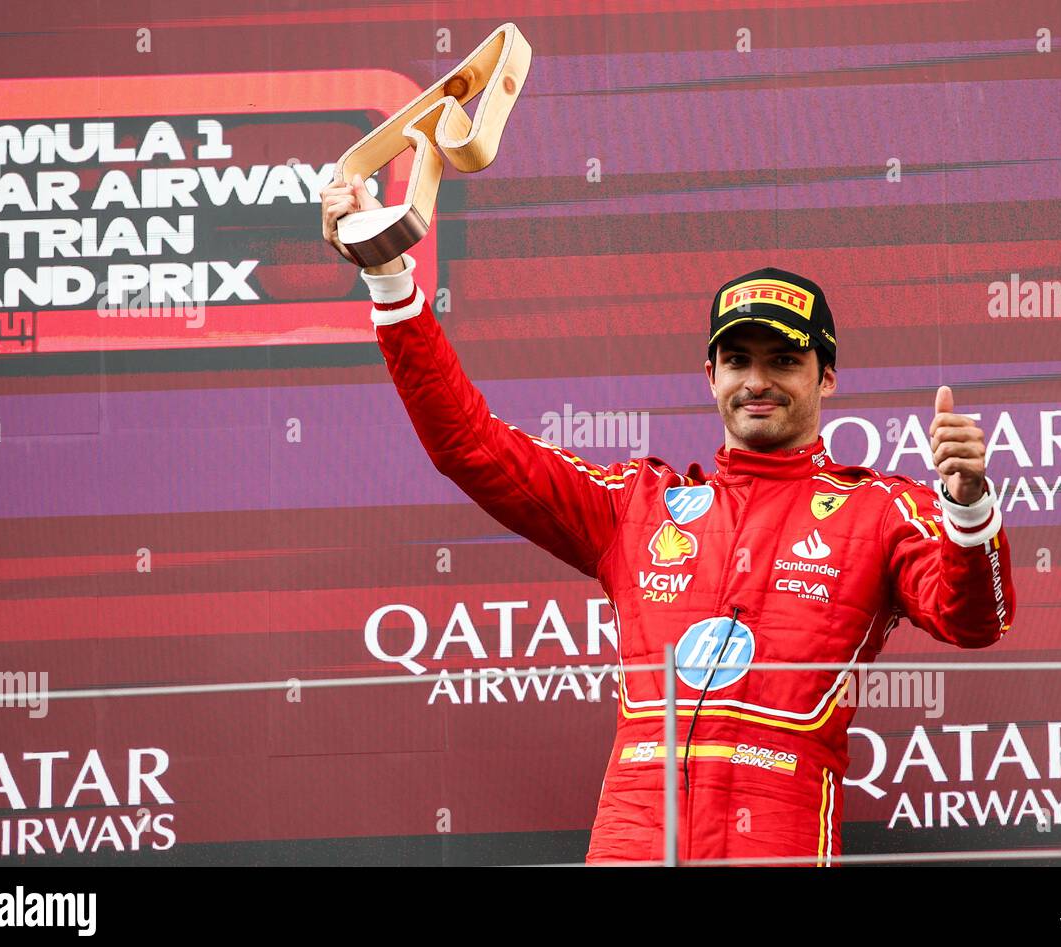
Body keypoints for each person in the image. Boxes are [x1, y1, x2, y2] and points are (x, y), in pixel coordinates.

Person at [322, 174, 1017, 865]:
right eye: (737, 359)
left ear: (826, 377)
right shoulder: (637, 506)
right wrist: (388, 275)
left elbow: (976, 621)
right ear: (708, 374)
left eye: (785, 361)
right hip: (634, 841)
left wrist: (968, 506)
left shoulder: (880, 510)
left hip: (782, 839)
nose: (756, 381)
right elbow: (469, 446)